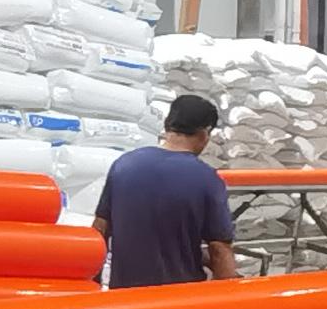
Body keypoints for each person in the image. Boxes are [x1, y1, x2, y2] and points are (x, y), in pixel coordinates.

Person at [102, 92, 238, 288]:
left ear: (167, 125)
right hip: (177, 298)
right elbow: (219, 251)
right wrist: (231, 295)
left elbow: (101, 228)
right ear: (204, 133)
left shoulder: (123, 165)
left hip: (125, 296)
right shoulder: (207, 179)